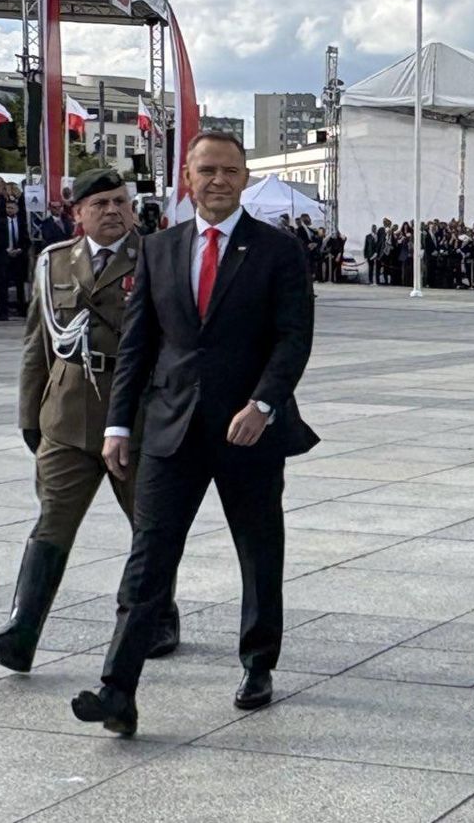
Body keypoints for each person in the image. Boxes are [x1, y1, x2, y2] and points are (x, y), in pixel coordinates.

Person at [72, 132, 317, 736]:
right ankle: (117, 689)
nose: (217, 181)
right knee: (148, 558)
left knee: (259, 554)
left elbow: (294, 338)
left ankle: (258, 662)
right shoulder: (157, 249)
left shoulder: (278, 251)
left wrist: (263, 403)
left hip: (248, 431)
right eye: (206, 170)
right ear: (187, 176)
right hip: (169, 430)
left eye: (230, 171)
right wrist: (119, 424)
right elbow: (137, 347)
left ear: (245, 177)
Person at [0, 170, 180, 672]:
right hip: (67, 417)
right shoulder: (54, 262)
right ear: (77, 213)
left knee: (148, 527)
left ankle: (159, 617)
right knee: (51, 523)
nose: (113, 211)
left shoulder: (157, 256)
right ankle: (22, 631)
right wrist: (30, 416)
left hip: (135, 416)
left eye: (120, 202)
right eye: (100, 204)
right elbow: (37, 344)